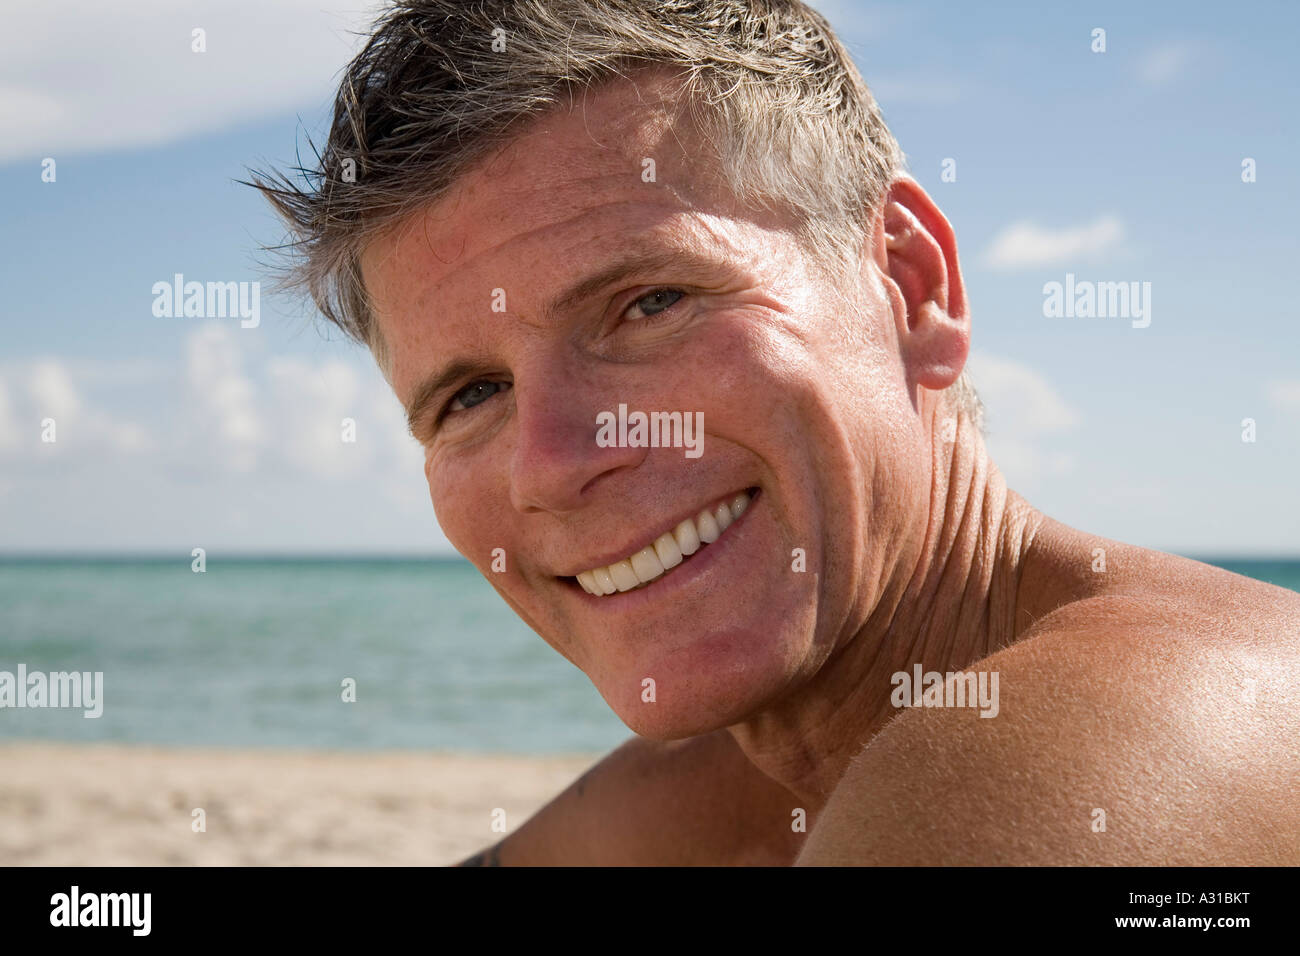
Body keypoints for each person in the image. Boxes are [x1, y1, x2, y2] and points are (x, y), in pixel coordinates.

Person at [252, 0, 1300, 865]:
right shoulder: (739, 780)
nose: (553, 462)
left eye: (649, 302)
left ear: (909, 286)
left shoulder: (1088, 750)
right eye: (471, 394)